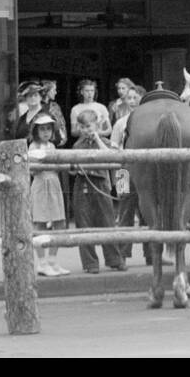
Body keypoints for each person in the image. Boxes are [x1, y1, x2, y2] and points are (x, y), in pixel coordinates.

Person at [70, 109, 126, 273]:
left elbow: (110, 157)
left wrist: (97, 139)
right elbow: (72, 168)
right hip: (82, 184)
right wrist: (76, 169)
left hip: (101, 183)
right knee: (84, 224)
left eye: (89, 126)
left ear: (96, 125)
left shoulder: (104, 141)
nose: (86, 130)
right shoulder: (77, 145)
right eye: (83, 127)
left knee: (107, 221)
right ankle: (90, 263)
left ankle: (114, 259)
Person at [109, 84, 150, 264]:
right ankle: (122, 256)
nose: (132, 101)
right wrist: (117, 179)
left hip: (146, 170)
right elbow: (113, 148)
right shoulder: (120, 122)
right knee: (125, 211)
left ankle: (152, 254)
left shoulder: (150, 120)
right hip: (124, 170)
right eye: (129, 98)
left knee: (148, 212)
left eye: (135, 98)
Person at [29, 113, 69, 277]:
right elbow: (32, 170)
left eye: (48, 129)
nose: (45, 132)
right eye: (42, 129)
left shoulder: (52, 147)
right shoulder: (33, 147)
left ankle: (53, 259)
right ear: (36, 131)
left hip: (54, 183)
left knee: (60, 222)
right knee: (39, 223)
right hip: (40, 184)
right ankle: (42, 262)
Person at [40, 80, 67, 145]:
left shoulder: (55, 106)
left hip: (55, 141)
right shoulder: (37, 106)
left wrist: (63, 138)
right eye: (54, 90)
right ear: (47, 91)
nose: (56, 92)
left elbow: (62, 124)